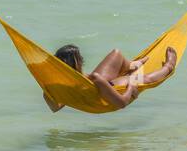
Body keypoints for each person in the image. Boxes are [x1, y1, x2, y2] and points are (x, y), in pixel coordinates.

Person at [48, 44, 178, 110]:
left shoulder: (65, 84)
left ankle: (133, 65)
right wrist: (132, 85)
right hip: (110, 91)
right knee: (143, 79)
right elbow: (122, 103)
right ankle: (168, 67)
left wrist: (46, 90)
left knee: (116, 54)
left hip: (99, 86)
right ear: (78, 62)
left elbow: (55, 108)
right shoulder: (95, 79)